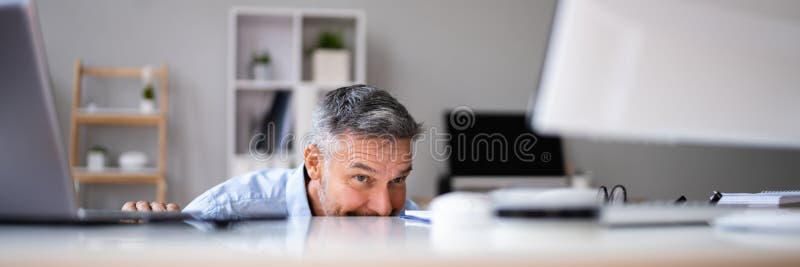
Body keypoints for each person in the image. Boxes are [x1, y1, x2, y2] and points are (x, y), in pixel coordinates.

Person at [122, 85, 422, 217]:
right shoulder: (228, 210)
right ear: (315, 163)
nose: (385, 208)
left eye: (397, 180)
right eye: (361, 178)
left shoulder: (408, 219)